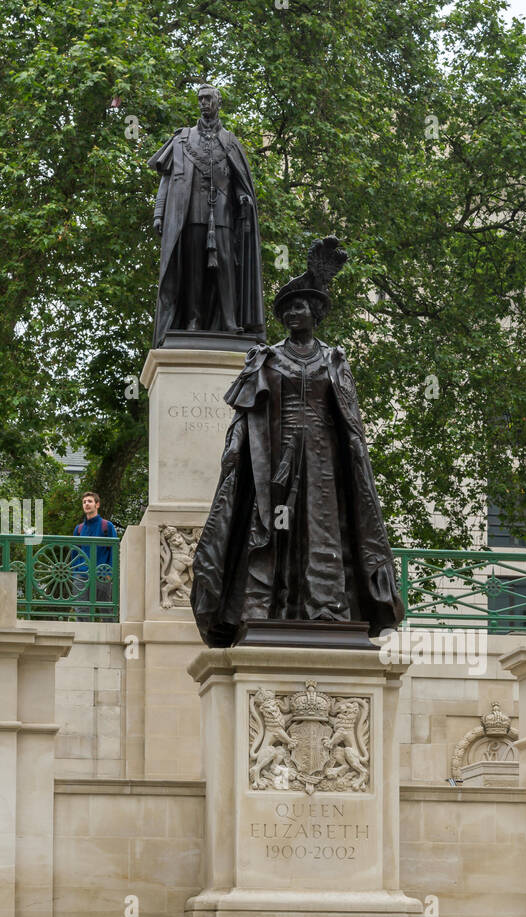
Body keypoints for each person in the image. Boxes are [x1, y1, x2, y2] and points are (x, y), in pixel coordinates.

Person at [191, 236, 404, 646]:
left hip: (325, 462)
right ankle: (272, 609)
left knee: (324, 532)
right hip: (276, 457)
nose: (292, 312)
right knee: (275, 530)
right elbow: (245, 413)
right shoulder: (266, 357)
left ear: (316, 312)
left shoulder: (333, 359)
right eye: (286, 307)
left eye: (299, 306)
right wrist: (234, 454)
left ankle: (325, 610)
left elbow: (350, 421)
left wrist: (357, 463)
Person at [149, 84, 265, 346]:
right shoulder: (181, 139)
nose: (203, 103)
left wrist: (242, 196)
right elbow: (166, 181)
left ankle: (230, 321)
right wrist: (159, 213)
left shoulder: (230, 141)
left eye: (208, 98)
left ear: (218, 102)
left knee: (225, 267)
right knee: (193, 271)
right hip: (190, 215)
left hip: (222, 215)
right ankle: (193, 320)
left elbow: (238, 179)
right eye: (200, 99)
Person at [71, 492, 117, 619]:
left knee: (106, 609)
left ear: (97, 504)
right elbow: (74, 552)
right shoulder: (78, 529)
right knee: (81, 610)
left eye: (90, 501)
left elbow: (114, 550)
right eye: (84, 502)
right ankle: (83, 638)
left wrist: (110, 572)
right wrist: (74, 572)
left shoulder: (107, 526)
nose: (86, 504)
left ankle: (110, 638)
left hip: (102, 573)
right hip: (81, 575)